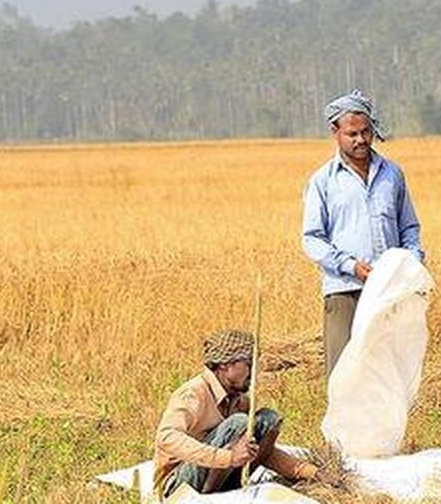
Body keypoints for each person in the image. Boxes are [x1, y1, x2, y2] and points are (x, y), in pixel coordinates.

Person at [302, 89, 424, 376]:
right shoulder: (322, 181)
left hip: (389, 290)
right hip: (344, 290)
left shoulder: (392, 174)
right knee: (344, 373)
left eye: (366, 132)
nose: (361, 140)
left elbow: (409, 227)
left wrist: (410, 264)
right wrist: (351, 266)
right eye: (352, 134)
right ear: (336, 132)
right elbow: (312, 239)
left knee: (387, 372)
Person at [153, 329, 318, 497]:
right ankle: (207, 498)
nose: (253, 373)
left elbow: (263, 452)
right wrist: (227, 457)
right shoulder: (193, 393)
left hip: (220, 474)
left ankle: (225, 492)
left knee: (269, 420)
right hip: (179, 486)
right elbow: (166, 437)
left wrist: (309, 473)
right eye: (249, 365)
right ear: (225, 364)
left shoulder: (240, 400)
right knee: (239, 423)